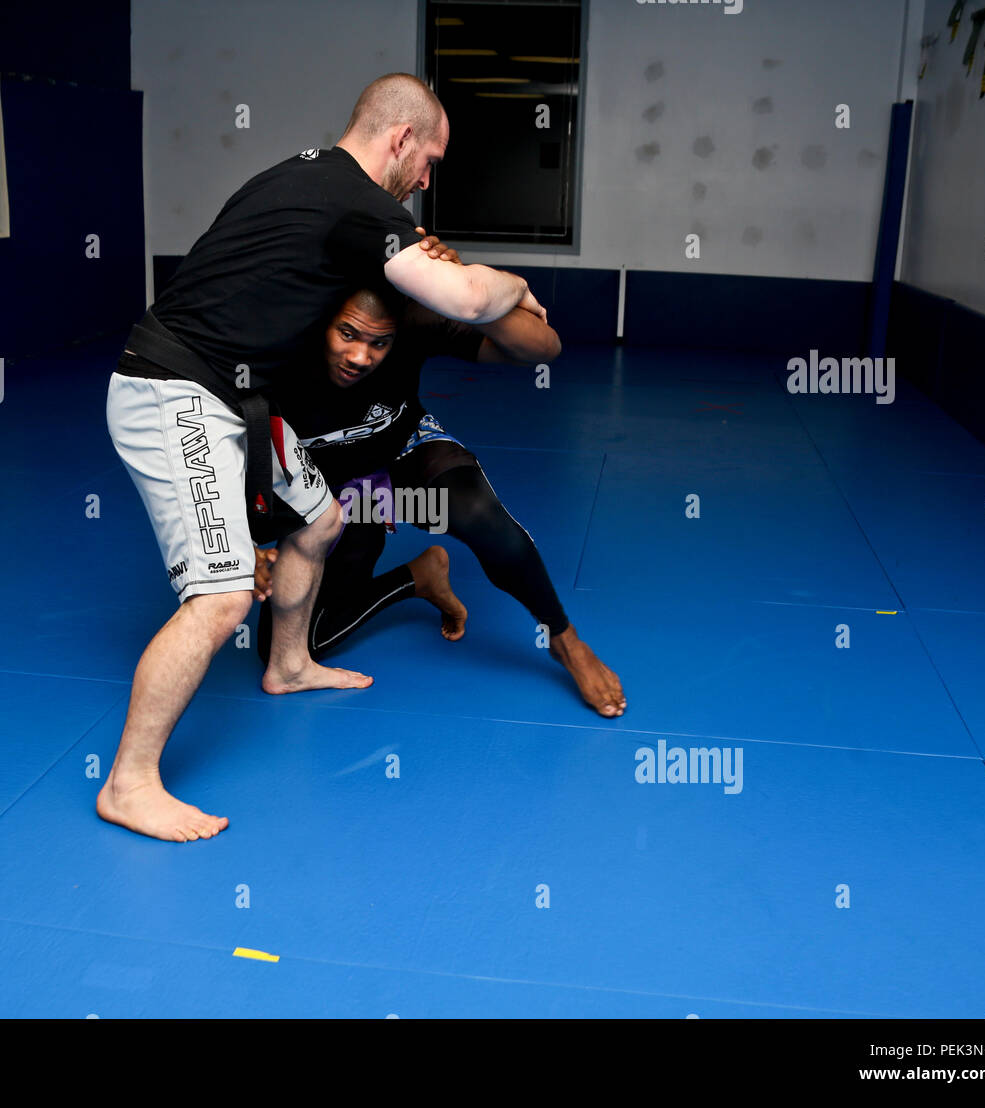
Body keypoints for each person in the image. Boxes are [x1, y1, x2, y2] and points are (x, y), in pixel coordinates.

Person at [100, 74, 550, 842]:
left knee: (321, 518)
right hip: (176, 392)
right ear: (402, 139)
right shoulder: (357, 204)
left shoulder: (297, 180)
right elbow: (471, 300)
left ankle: (289, 664)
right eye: (430, 159)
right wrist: (514, 282)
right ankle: (129, 781)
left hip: (233, 399)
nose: (426, 180)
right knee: (219, 600)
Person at [253, 239, 626, 717]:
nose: (361, 357)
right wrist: (252, 543)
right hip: (341, 498)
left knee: (479, 516)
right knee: (287, 647)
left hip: (405, 460)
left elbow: (543, 347)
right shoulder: (278, 351)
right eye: (347, 334)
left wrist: (466, 291)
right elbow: (234, 448)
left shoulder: (415, 320)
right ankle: (419, 577)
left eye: (379, 343)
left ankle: (566, 642)